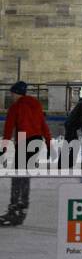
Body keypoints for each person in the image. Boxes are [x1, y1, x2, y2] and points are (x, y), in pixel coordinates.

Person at [1, 82, 51, 227]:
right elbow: (43, 124)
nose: (12, 96)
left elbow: (8, 128)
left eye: (12, 93)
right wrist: (48, 143)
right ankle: (22, 207)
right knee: (25, 175)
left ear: (17, 93)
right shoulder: (36, 104)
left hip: (24, 140)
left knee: (18, 175)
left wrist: (3, 148)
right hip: (36, 141)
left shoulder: (15, 107)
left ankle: (14, 208)